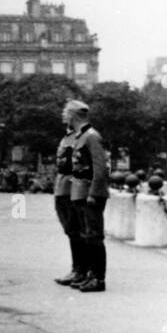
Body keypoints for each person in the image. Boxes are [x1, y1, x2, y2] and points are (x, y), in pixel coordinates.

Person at [68, 101, 110, 293]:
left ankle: (98, 279)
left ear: (73, 115)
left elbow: (100, 168)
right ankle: (89, 275)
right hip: (81, 191)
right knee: (86, 235)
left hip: (90, 193)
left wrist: (93, 193)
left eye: (67, 114)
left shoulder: (91, 136)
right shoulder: (82, 136)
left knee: (94, 236)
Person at [52, 105, 84, 286]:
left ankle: (79, 270)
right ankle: (77, 269)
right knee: (70, 231)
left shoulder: (81, 137)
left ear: (73, 115)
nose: (63, 115)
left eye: (66, 113)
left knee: (76, 231)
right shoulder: (67, 137)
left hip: (72, 190)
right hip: (62, 189)